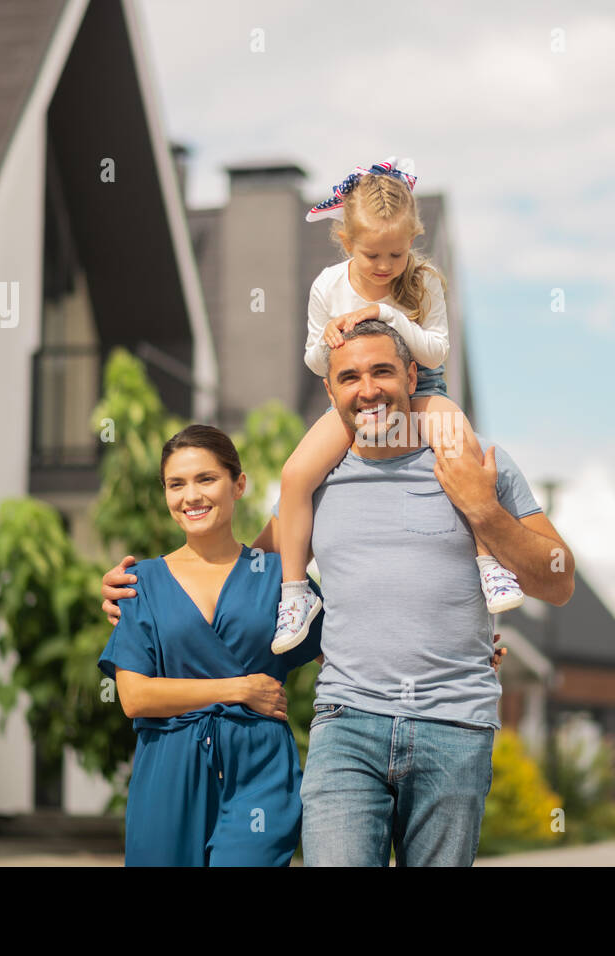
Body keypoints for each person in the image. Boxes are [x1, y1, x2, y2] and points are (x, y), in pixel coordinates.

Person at [103, 322, 574, 866]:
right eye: (349, 376)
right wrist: (138, 591)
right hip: (346, 722)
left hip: (454, 723)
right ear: (330, 392)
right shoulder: (316, 483)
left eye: (382, 371)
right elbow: (239, 581)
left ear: (413, 376)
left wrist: (483, 509)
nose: (367, 389)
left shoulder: (476, 460)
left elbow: (557, 581)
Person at [269, 156, 524, 656]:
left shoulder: (423, 281)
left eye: (396, 254)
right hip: (355, 398)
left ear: (412, 241)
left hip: (421, 384)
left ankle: (490, 565)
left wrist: (386, 314)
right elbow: (314, 361)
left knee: (460, 441)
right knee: (296, 474)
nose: (385, 266)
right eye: (372, 256)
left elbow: (435, 351)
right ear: (347, 243)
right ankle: (295, 594)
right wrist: (328, 340)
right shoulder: (328, 286)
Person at [96, 424, 323, 866]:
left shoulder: (278, 573)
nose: (191, 496)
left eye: (206, 479)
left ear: (238, 485)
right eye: (176, 484)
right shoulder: (140, 582)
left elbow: (346, 646)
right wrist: (237, 689)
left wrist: (458, 645)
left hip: (259, 769)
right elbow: (135, 696)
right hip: (167, 770)